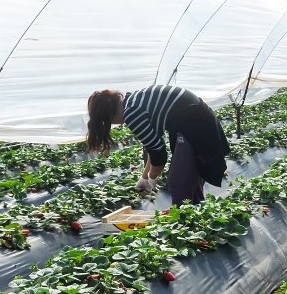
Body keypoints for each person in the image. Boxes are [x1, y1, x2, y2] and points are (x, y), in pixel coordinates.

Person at [87, 86, 230, 206]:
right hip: (199, 121)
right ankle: (196, 220)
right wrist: (145, 177)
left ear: (109, 116)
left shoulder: (131, 113)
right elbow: (154, 144)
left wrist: (152, 178)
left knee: (178, 183)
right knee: (190, 184)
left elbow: (159, 153)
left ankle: (184, 225)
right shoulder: (133, 100)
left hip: (196, 127)